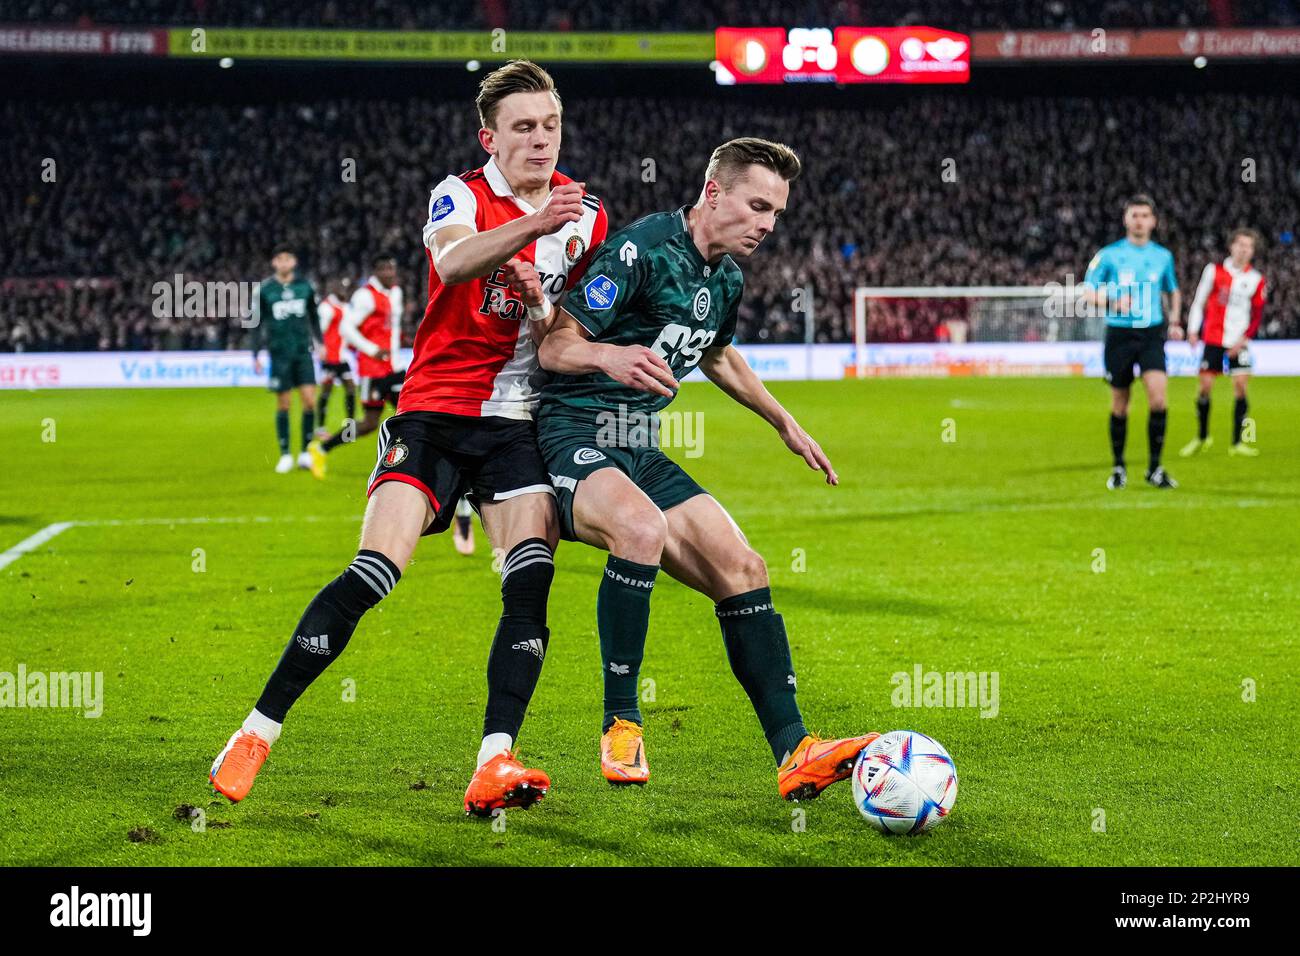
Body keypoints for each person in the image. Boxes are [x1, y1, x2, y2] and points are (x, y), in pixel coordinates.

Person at [210, 60, 608, 818]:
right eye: (523, 127)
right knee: (373, 572)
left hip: (516, 422)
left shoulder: (588, 216)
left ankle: (495, 759)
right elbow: (454, 260)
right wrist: (533, 226)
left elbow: (561, 334)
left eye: (550, 124)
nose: (540, 140)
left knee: (528, 583)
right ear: (489, 136)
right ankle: (255, 732)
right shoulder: (461, 193)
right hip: (432, 411)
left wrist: (540, 307)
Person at [528, 137, 878, 801]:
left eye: (775, 212)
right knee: (640, 529)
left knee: (744, 567)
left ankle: (795, 751)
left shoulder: (727, 278)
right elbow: (556, 346)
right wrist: (609, 357)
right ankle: (621, 722)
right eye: (756, 205)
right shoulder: (643, 249)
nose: (767, 224)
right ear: (713, 192)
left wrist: (784, 422)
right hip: (574, 430)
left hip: (638, 443)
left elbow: (718, 356)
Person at [1081, 194, 1184, 490]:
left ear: (1153, 221)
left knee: (1159, 399)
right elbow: (1088, 291)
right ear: (1126, 219)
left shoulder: (1163, 256)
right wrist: (1112, 302)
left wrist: (1175, 319)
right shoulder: (1109, 255)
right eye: (1134, 215)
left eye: (1144, 215)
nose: (1139, 220)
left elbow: (1172, 289)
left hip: (1152, 334)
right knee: (1120, 405)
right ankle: (1118, 467)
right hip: (1120, 335)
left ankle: (1155, 468)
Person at [1181, 228, 1267, 458]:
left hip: (1239, 341)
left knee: (1240, 387)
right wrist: (1192, 330)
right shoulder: (1214, 271)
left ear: (1252, 251)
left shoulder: (1256, 279)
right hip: (1213, 339)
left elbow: (1257, 315)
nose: (1243, 249)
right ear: (1231, 246)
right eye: (1240, 244)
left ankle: (1238, 442)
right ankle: (1202, 437)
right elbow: (1199, 302)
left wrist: (1243, 340)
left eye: (1248, 246)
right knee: (1205, 387)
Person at [250, 246, 321, 473]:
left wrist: (321, 343)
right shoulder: (265, 290)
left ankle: (305, 453)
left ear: (294, 261)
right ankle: (285, 455)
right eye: (279, 258)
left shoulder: (305, 287)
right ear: (274, 262)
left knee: (310, 401)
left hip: (303, 352)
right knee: (284, 403)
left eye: (287, 258)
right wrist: (255, 354)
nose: (283, 262)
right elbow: (256, 324)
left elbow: (314, 317)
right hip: (279, 354)